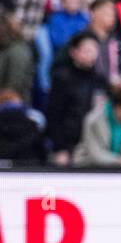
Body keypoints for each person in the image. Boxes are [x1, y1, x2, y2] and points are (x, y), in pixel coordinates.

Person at [46, 31, 108, 164]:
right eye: (86, 50)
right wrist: (60, 148)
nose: (91, 54)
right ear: (74, 52)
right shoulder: (62, 78)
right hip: (68, 146)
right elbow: (54, 115)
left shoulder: (100, 81)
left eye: (94, 50)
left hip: (93, 146)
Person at [72, 86, 121, 167]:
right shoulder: (93, 121)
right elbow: (95, 153)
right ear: (117, 108)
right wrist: (119, 160)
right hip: (90, 167)